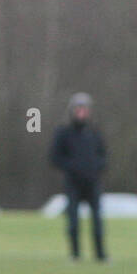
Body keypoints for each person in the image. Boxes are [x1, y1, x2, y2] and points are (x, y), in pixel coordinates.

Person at [49, 92, 107, 262]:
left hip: (92, 183)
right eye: (79, 109)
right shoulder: (63, 132)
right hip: (73, 183)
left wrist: (97, 167)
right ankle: (75, 255)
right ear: (72, 111)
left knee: (97, 221)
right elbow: (55, 158)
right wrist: (73, 167)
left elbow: (103, 156)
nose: (82, 112)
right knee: (73, 221)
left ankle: (100, 255)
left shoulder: (94, 133)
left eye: (85, 109)